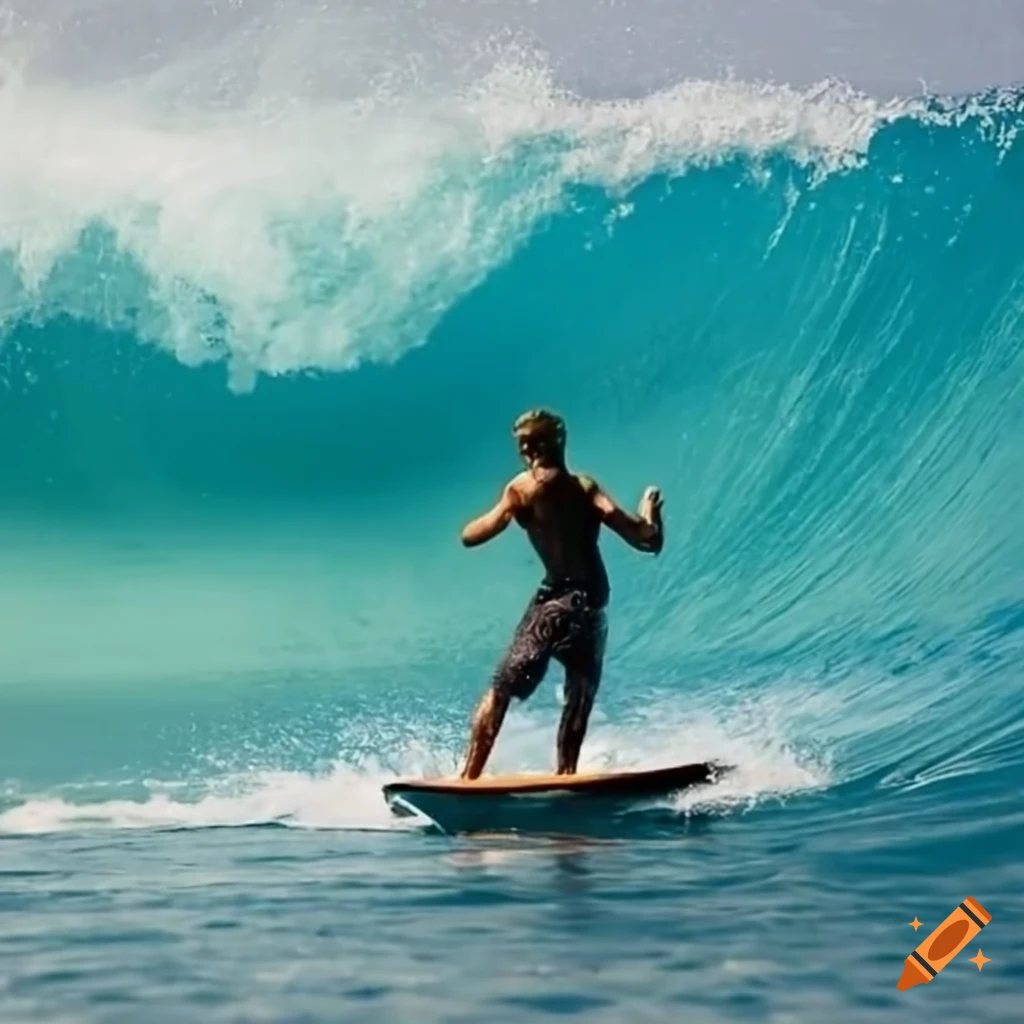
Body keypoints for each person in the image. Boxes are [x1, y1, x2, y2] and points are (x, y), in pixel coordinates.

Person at [458, 408, 664, 779]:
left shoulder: (523, 490)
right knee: (578, 694)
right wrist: (650, 517)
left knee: (507, 687)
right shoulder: (584, 490)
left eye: (534, 446)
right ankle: (563, 778)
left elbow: (472, 536)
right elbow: (646, 539)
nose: (529, 454)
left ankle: (469, 779)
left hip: (561, 602)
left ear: (555, 445)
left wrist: (504, 512)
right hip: (591, 602)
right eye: (524, 448)